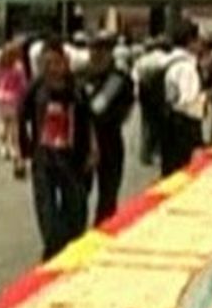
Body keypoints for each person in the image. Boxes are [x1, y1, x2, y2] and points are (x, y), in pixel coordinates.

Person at [17, 37, 93, 260]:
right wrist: (22, 154)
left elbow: (88, 121)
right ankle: (53, 252)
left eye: (56, 62)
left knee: (76, 211)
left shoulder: (77, 90)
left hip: (73, 157)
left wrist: (92, 150)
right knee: (47, 213)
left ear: (65, 61)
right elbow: (22, 118)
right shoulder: (35, 88)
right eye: (46, 63)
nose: (52, 68)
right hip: (44, 159)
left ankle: (72, 250)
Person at [82, 32, 135, 224]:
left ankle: (102, 232)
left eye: (101, 50)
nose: (95, 54)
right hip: (82, 142)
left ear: (110, 52)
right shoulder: (80, 75)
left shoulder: (119, 79)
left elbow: (121, 109)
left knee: (108, 194)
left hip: (109, 140)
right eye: (93, 49)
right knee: (79, 194)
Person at [160, 20, 206, 177]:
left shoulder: (169, 61)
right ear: (190, 41)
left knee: (171, 172)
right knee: (184, 174)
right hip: (184, 128)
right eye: (198, 39)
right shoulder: (186, 67)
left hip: (169, 125)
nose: (201, 44)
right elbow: (189, 102)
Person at [132, 37, 171, 167]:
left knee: (146, 124)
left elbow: (135, 77)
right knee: (161, 124)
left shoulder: (143, 60)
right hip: (160, 95)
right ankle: (157, 152)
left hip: (145, 95)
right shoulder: (164, 58)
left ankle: (145, 154)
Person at [0, 41, 28, 172]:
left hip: (1, 97)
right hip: (14, 98)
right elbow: (23, 84)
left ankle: (3, 147)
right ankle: (14, 149)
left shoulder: (0, 65)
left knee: (3, 123)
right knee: (14, 125)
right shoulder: (18, 67)